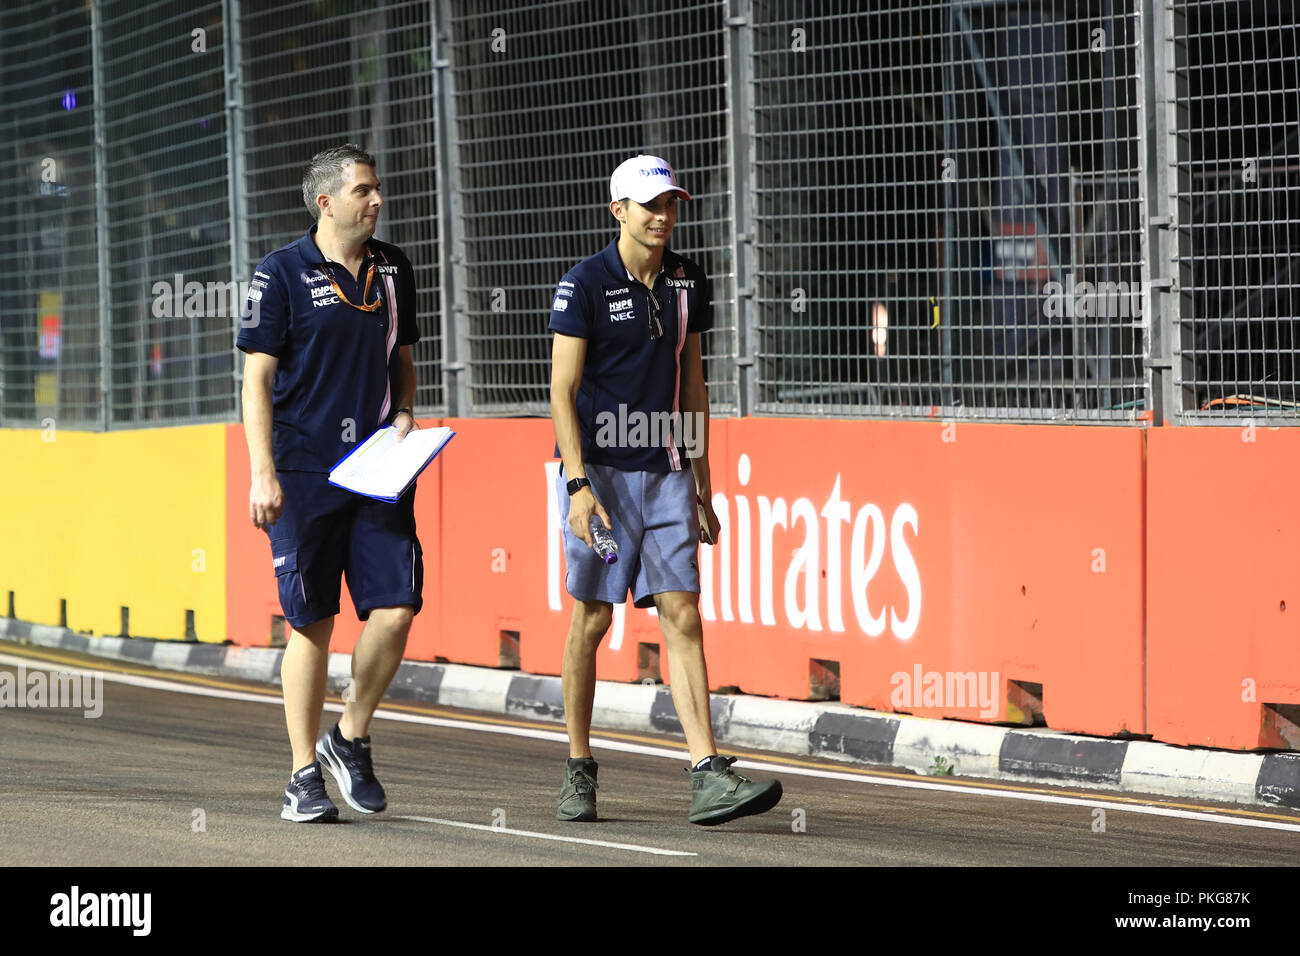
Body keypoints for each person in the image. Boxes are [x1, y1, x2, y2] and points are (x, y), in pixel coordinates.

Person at [548, 154, 783, 825]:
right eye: (650, 205)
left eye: (671, 204)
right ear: (617, 210)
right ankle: (579, 767)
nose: (664, 217)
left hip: (670, 471)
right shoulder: (584, 285)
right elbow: (562, 392)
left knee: (681, 613)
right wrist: (576, 487)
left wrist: (703, 484)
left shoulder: (687, 281)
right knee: (592, 619)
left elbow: (695, 384)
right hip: (598, 476)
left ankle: (708, 774)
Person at [237, 144, 422, 823]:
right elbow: (257, 378)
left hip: (378, 468)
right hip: (303, 471)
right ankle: (301, 775)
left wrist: (405, 412)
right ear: (326, 201)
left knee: (397, 609)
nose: (376, 201)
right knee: (312, 626)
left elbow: (403, 359)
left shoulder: (394, 267)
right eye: (364, 191)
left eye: (377, 190)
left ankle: (349, 736)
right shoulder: (279, 273)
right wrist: (264, 472)